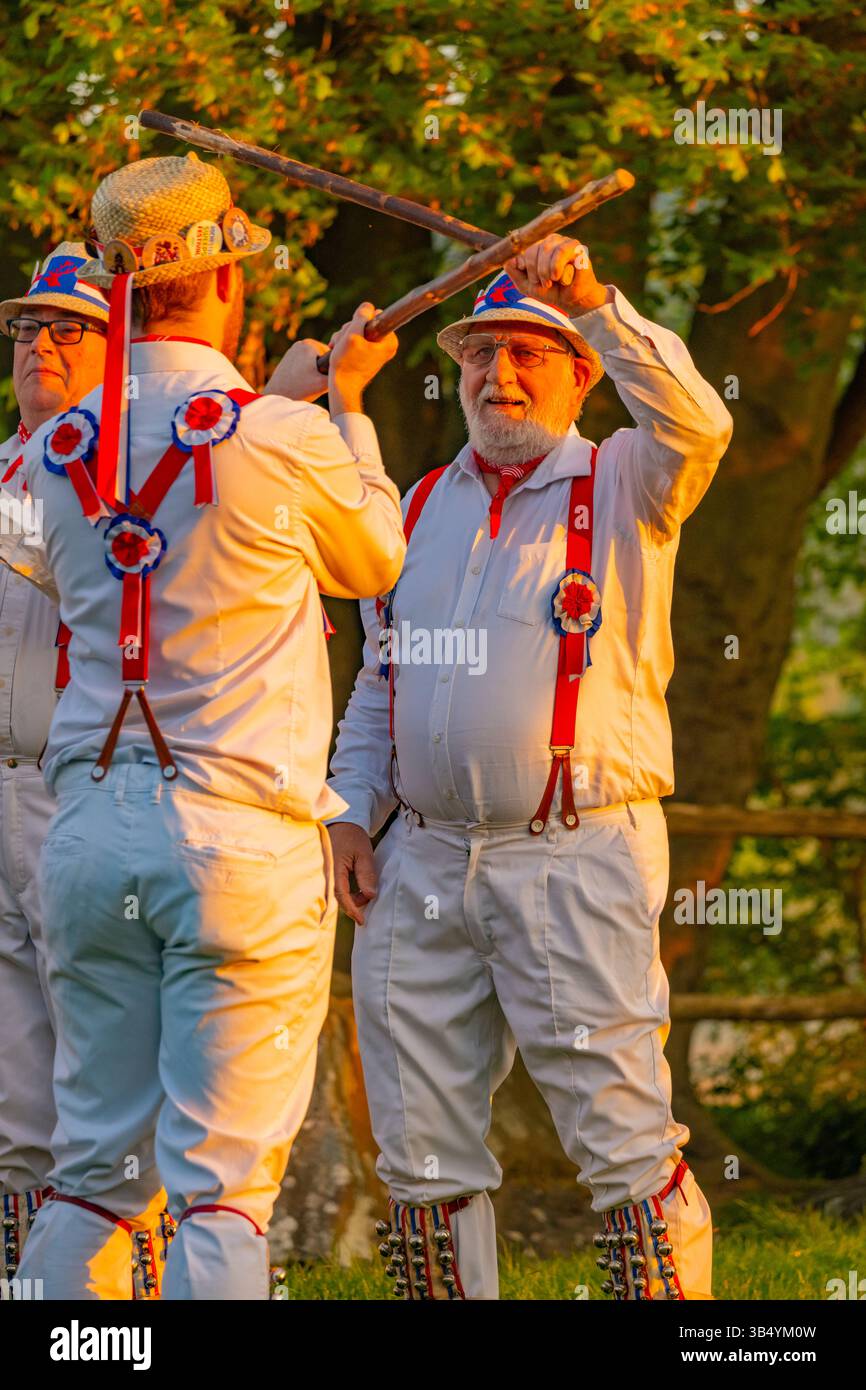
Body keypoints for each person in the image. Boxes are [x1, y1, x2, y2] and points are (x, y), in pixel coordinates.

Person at [0, 154, 405, 1299]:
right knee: (222, 1189)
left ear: (118, 294)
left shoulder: (49, 446)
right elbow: (376, 556)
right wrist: (341, 409)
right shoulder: (278, 434)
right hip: (238, 837)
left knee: (92, 1173)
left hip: (84, 838)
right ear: (225, 284)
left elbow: (26, 550)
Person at [327, 234, 733, 1300]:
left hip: (575, 849)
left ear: (579, 372)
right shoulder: (415, 506)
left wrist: (593, 301)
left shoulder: (629, 480)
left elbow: (702, 420)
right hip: (417, 858)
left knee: (620, 1131)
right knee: (416, 1147)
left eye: (527, 354)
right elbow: (381, 680)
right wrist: (344, 814)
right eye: (479, 356)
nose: (497, 376)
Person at [0, 246, 174, 1298]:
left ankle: (131, 1304)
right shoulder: (4, 472)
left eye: (69, 327)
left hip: (88, 791)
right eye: (27, 328)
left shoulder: (134, 474)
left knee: (103, 1069)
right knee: (12, 1080)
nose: (39, 345)